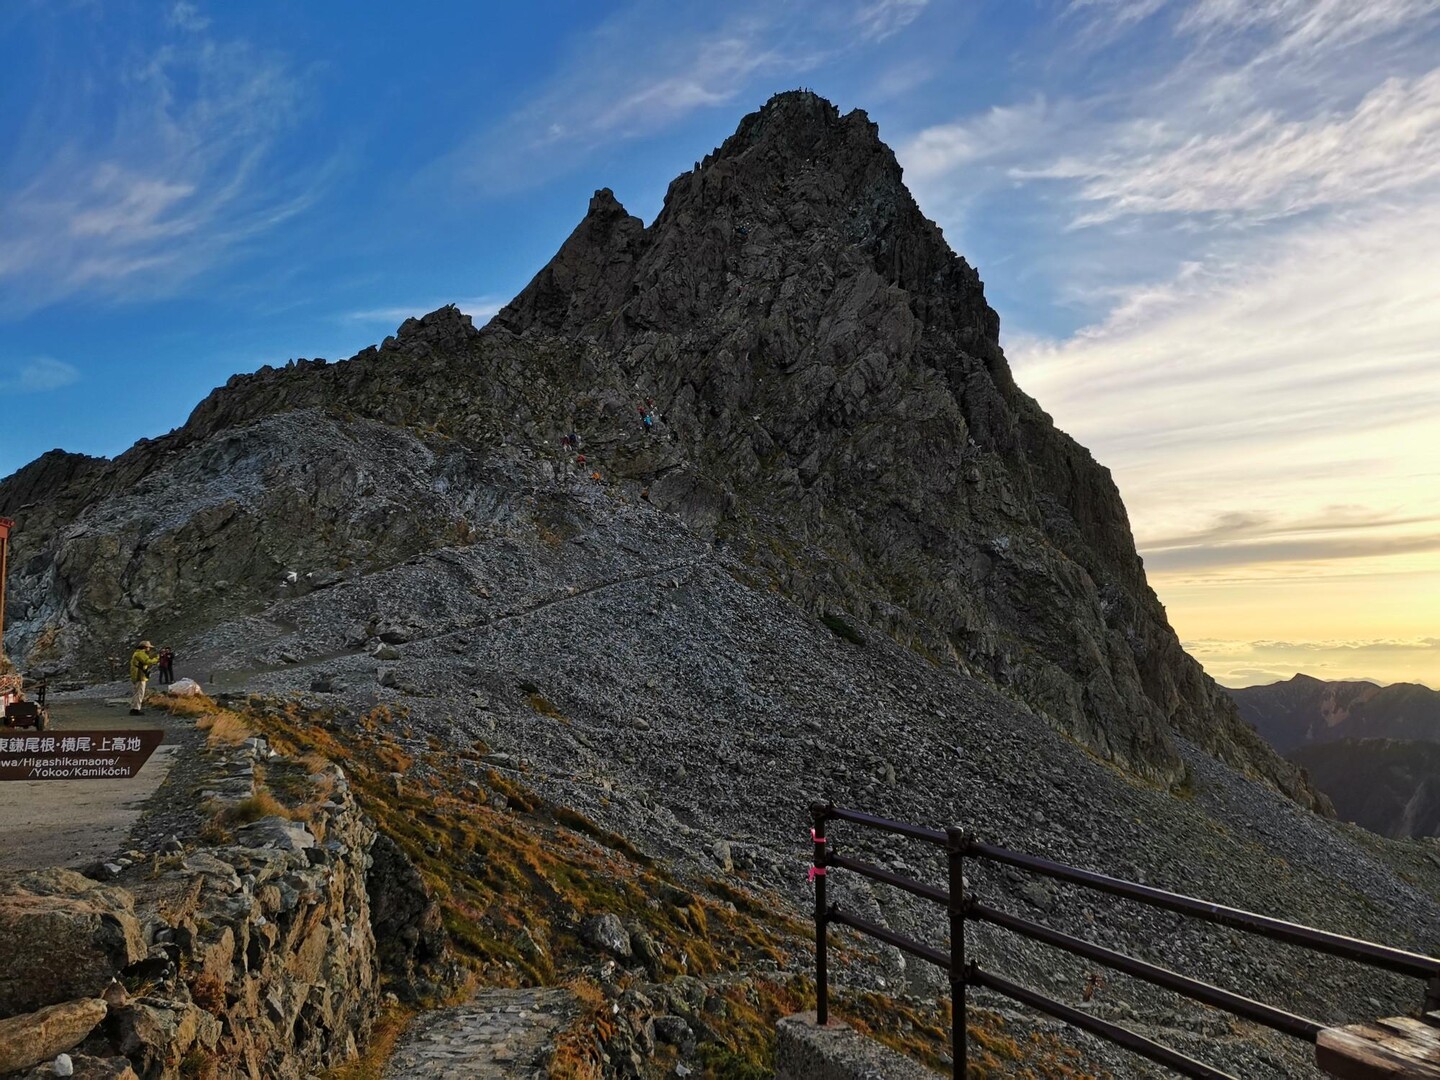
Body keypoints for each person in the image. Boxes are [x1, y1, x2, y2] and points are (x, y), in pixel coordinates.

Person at [129, 640, 160, 715]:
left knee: (136, 692)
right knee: (140, 692)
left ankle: (134, 708)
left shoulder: (138, 653)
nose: (149, 649)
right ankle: (136, 709)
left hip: (137, 675)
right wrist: (157, 658)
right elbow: (147, 661)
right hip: (140, 675)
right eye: (148, 647)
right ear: (145, 647)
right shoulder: (140, 654)